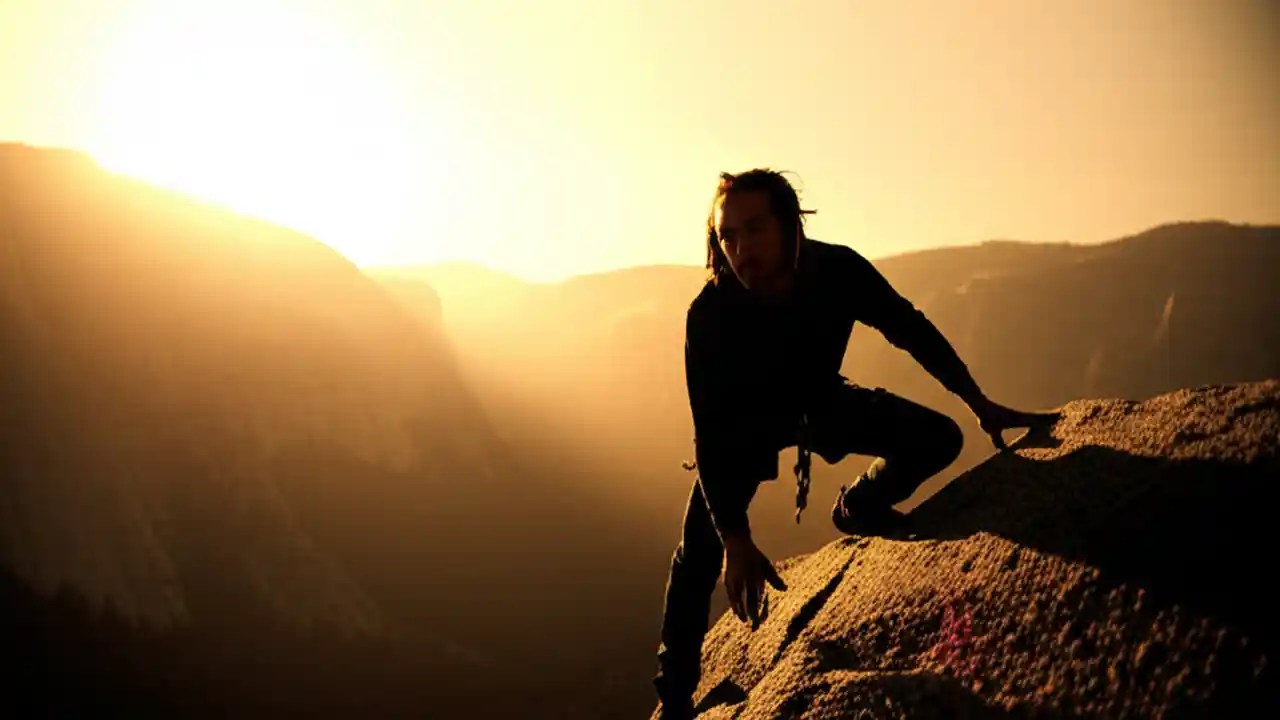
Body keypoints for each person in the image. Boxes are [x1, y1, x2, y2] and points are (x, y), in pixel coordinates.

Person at [652, 169, 1049, 719]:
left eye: (755, 229)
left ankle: (858, 505)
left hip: (820, 405)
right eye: (727, 237)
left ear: (792, 223)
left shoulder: (835, 271)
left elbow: (909, 328)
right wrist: (735, 538)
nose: (740, 249)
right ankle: (673, 701)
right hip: (741, 432)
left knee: (938, 438)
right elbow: (711, 430)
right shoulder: (711, 313)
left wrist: (977, 401)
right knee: (698, 551)